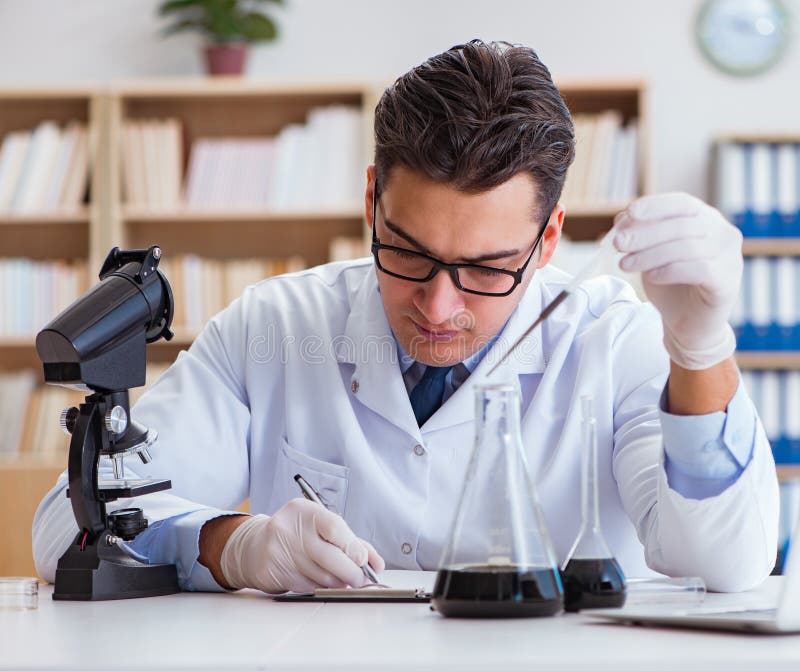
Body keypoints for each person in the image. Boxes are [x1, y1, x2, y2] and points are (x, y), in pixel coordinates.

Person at [33, 39, 778, 595]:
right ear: (371, 204)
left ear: (548, 239)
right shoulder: (277, 325)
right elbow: (64, 531)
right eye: (409, 252)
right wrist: (230, 544)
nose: (439, 304)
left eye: (486, 268)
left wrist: (701, 345)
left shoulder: (614, 338)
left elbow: (732, 561)